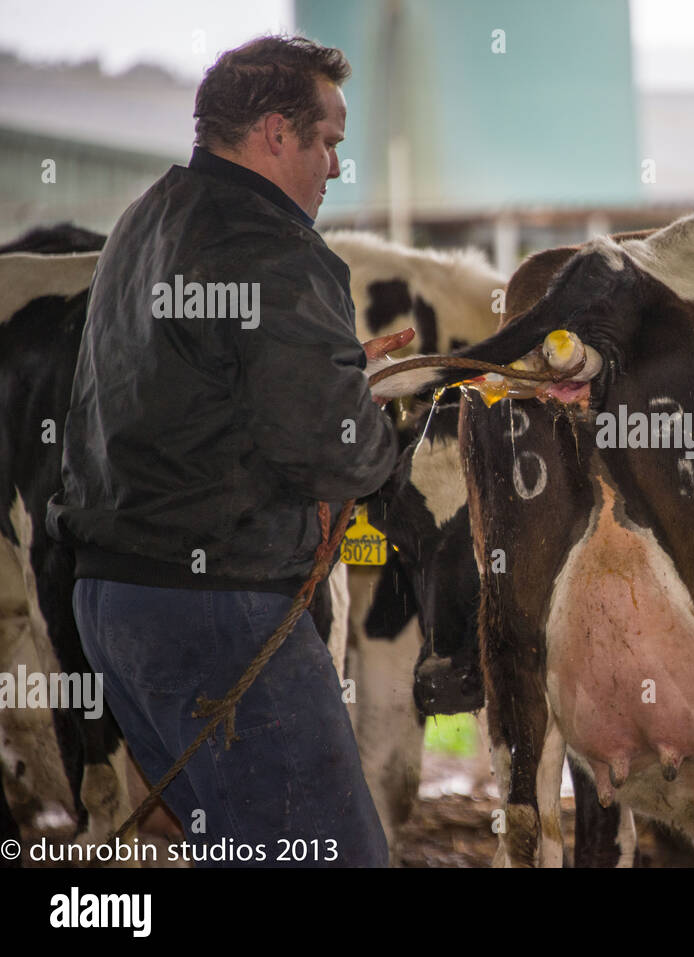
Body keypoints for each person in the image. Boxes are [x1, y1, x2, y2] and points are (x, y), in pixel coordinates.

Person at [47, 35, 410, 867]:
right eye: (328, 143)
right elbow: (332, 449)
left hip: (112, 600)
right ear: (277, 135)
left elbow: (199, 394)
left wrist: (336, 377)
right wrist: (369, 414)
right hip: (218, 607)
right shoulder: (274, 248)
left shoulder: (143, 221)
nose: (334, 167)